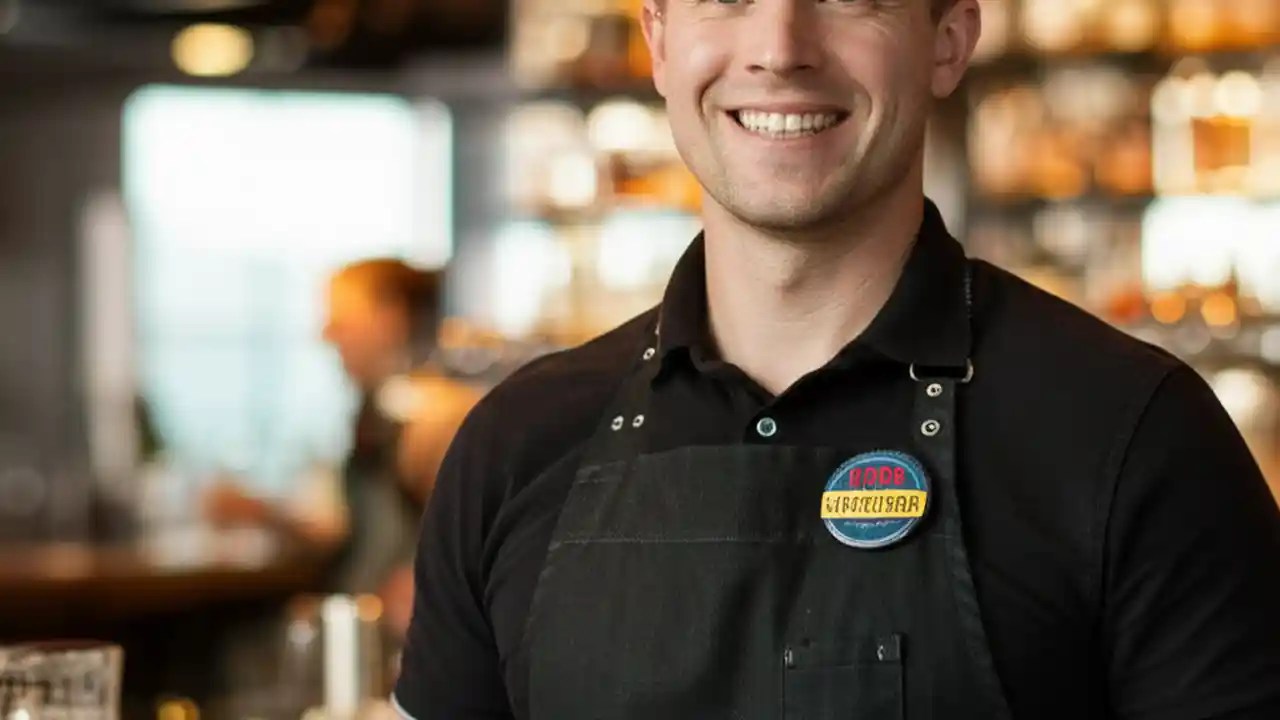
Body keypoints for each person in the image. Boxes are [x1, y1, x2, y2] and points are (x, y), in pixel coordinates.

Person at [392, 1, 1280, 718]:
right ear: (658, 38)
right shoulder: (512, 447)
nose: (780, 47)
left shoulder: (1136, 438)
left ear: (948, 40)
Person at [205, 258, 479, 636]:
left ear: (390, 318)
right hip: (364, 625)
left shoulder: (434, 416)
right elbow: (351, 528)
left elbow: (468, 540)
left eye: (342, 319)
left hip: (401, 643)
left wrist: (425, 585)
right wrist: (264, 512)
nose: (326, 334)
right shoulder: (377, 413)